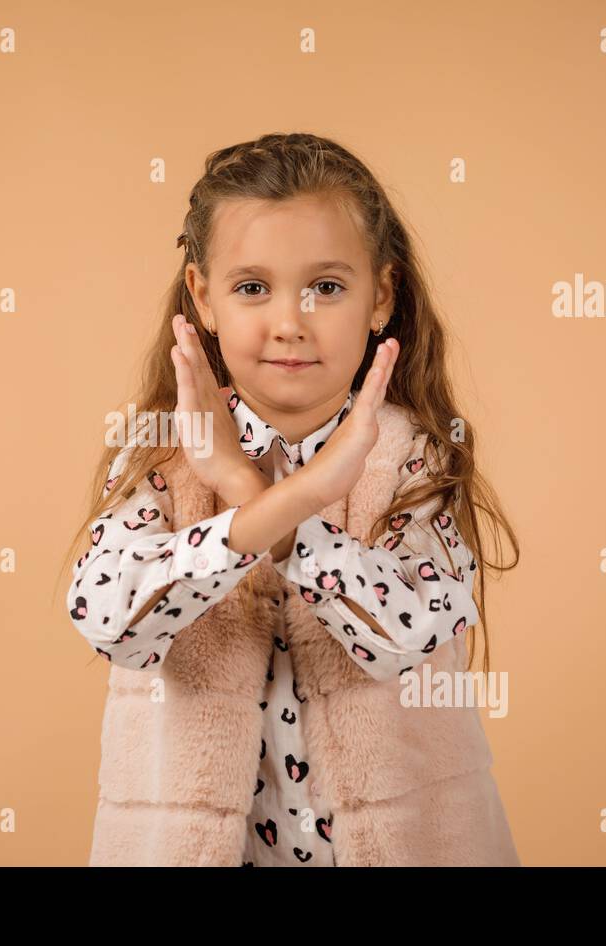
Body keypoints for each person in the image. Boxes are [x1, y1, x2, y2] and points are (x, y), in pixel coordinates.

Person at [60, 132, 521, 866]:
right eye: (251, 288)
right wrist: (273, 498)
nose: (290, 322)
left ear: (383, 297)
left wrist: (261, 503)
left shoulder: (414, 457)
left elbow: (403, 637)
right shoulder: (162, 456)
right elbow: (113, 621)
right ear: (203, 299)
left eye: (327, 288)